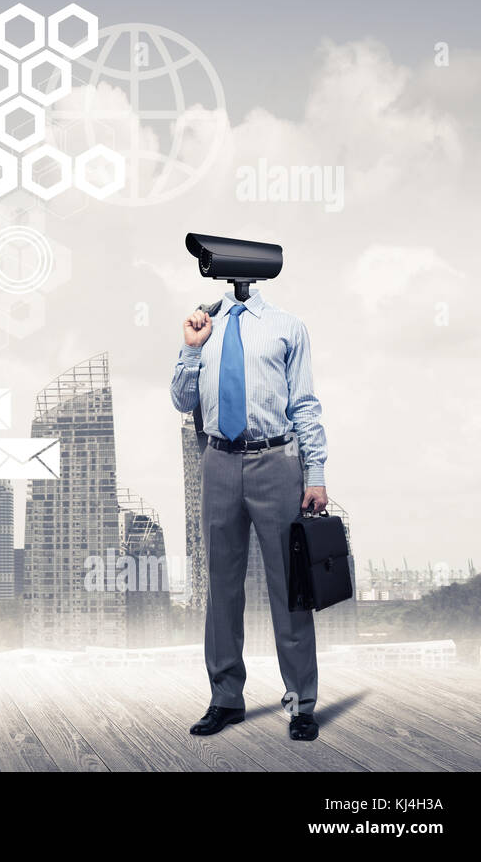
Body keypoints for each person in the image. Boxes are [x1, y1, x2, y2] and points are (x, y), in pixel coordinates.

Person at [171, 285, 328, 742]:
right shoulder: (205, 326)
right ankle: (225, 699)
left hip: (276, 462)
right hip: (217, 461)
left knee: (290, 586)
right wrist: (190, 348)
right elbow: (182, 401)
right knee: (220, 587)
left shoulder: (286, 326)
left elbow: (303, 403)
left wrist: (314, 472)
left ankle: (301, 704)